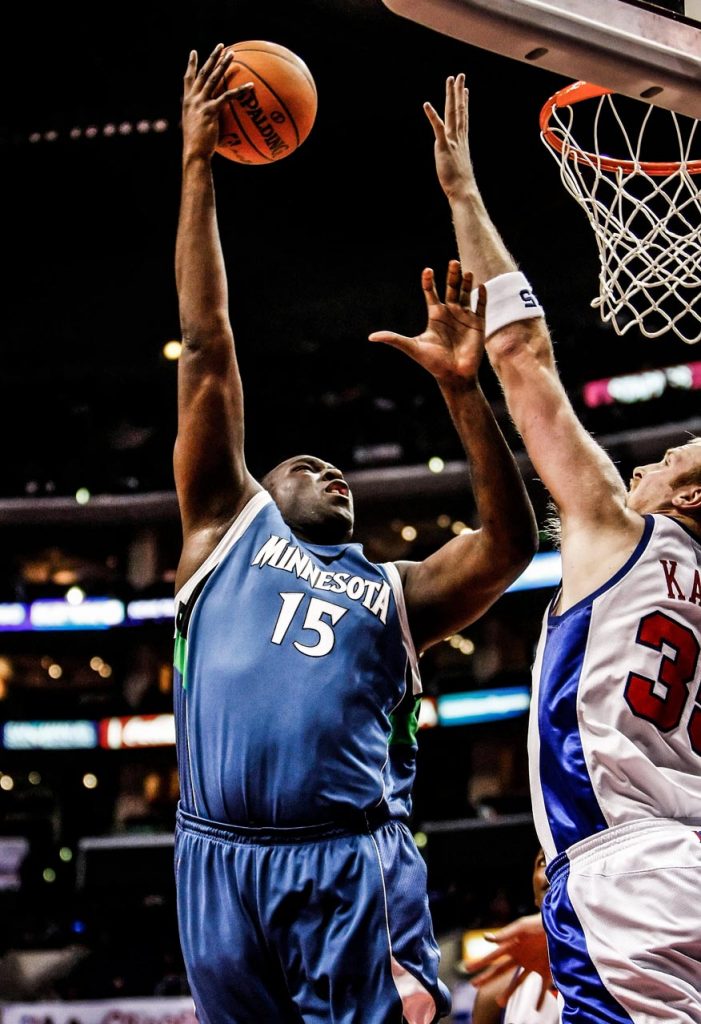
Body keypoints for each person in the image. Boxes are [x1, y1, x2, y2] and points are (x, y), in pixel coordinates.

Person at [171, 44, 538, 1024]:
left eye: (339, 474)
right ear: (260, 485)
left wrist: (463, 394)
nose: (329, 470)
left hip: (345, 862)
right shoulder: (221, 531)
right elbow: (208, 344)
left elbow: (507, 542)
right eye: (304, 464)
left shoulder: (389, 590)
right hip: (211, 855)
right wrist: (196, 168)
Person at [422, 72, 701, 1023]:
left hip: (633, 875)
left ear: (689, 498)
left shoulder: (623, 532)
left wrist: (464, 194)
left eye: (673, 456)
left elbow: (524, 356)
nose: (655, 454)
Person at [471, 847, 559, 1024]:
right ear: (535, 896)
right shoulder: (493, 996)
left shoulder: (620, 956)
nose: (551, 868)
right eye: (543, 861)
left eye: (560, 857)